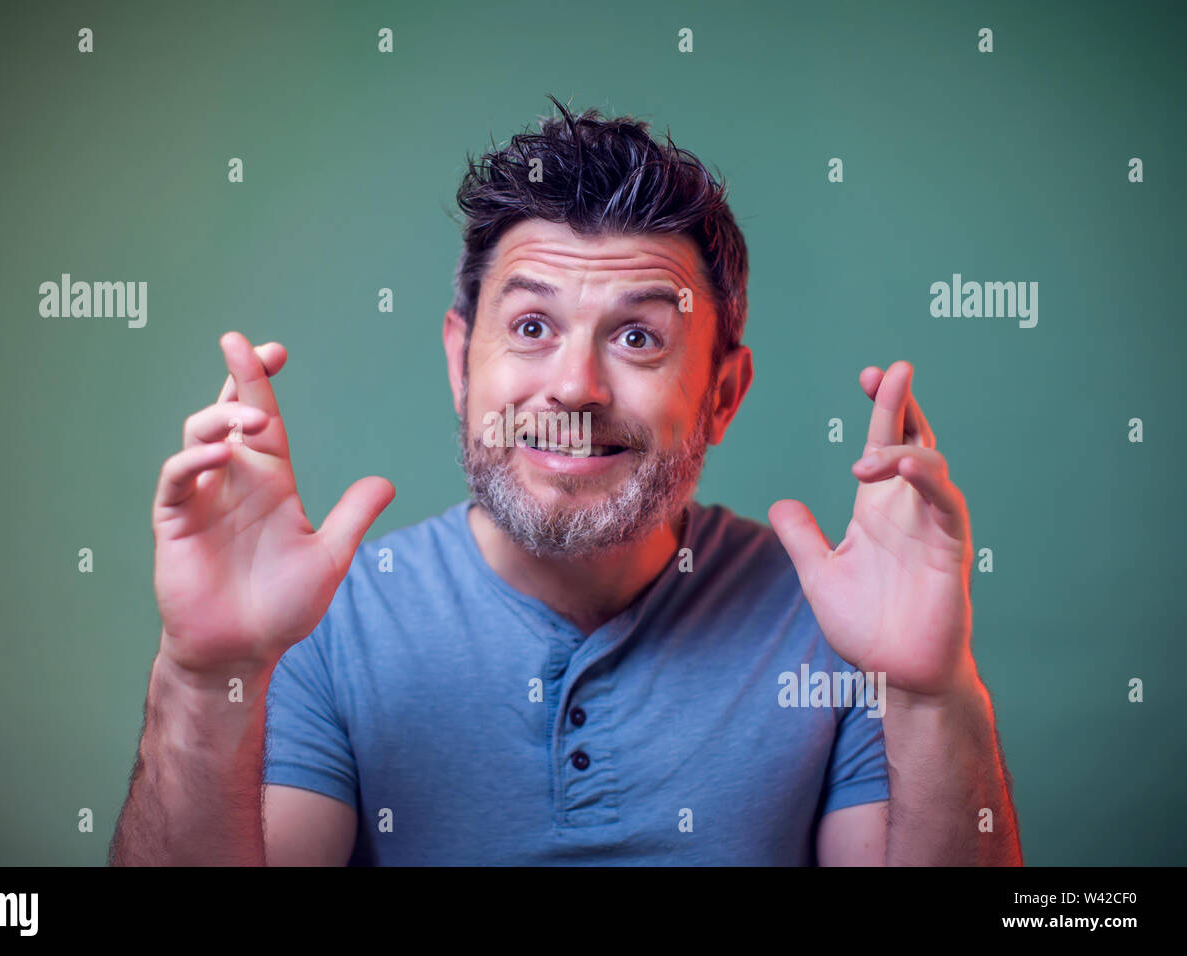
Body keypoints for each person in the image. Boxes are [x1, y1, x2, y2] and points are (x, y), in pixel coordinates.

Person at [109, 96, 1021, 866]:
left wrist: (935, 697)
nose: (575, 388)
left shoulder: (836, 624)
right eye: (533, 327)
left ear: (722, 394)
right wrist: (203, 678)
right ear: (463, 363)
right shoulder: (322, 623)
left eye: (638, 337)